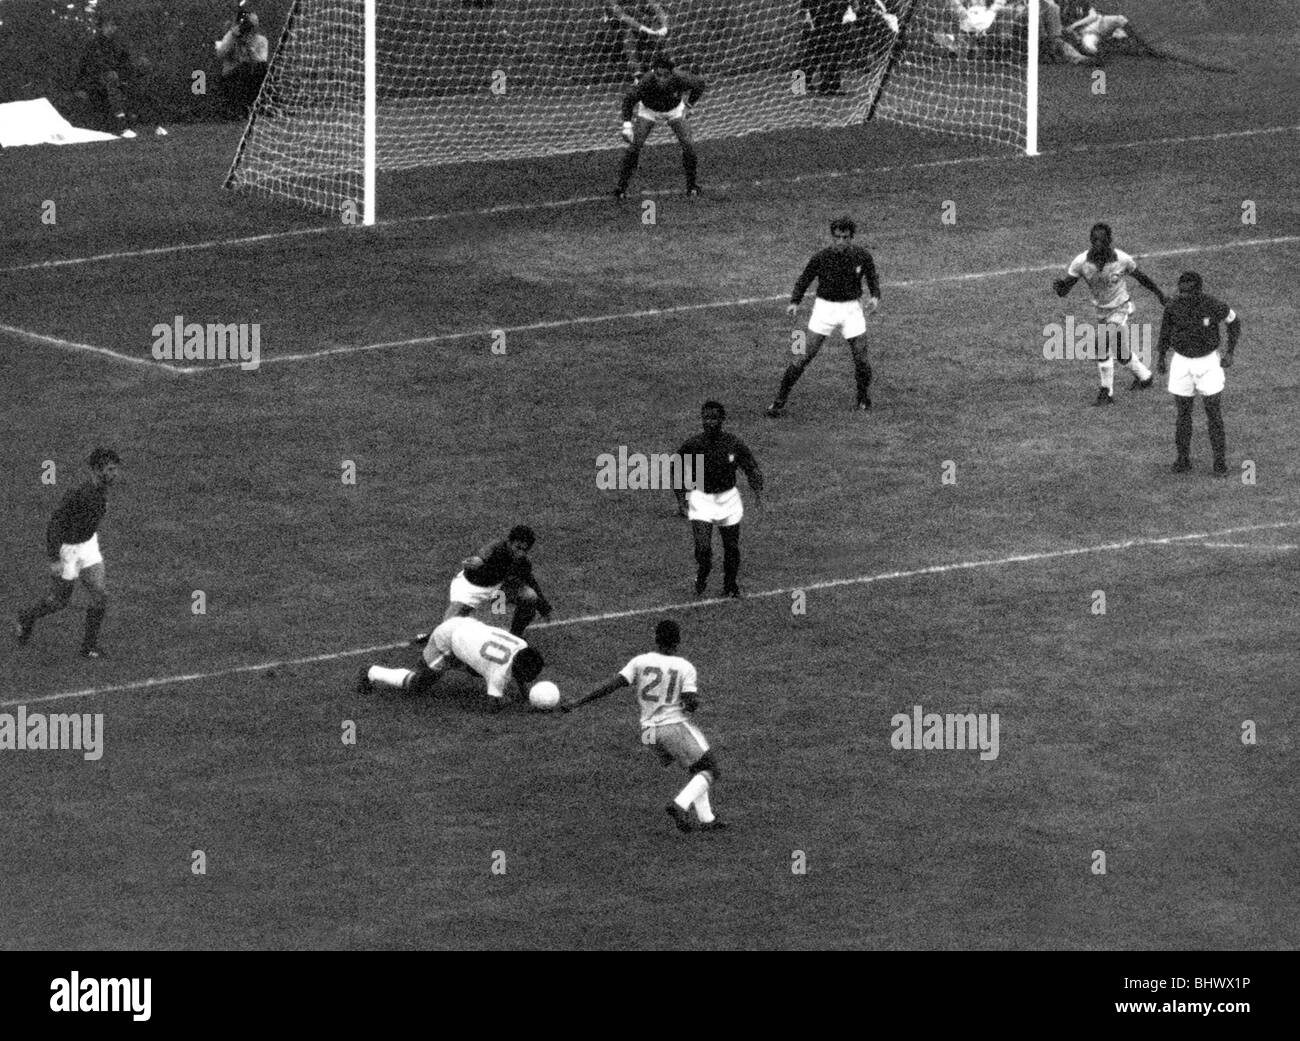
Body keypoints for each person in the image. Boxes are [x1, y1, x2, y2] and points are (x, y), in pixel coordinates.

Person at [561, 619, 726, 833]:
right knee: (710, 769)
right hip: (671, 727)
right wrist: (693, 704)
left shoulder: (640, 661)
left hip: (648, 732)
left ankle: (707, 819)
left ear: (656, 639)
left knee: (696, 769)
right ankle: (679, 805)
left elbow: (612, 685)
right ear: (678, 642)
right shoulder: (685, 667)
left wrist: (578, 701)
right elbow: (690, 700)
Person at [14, 448, 122, 659]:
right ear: (97, 471)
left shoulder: (101, 492)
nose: (115, 474)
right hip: (68, 550)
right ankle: (26, 617)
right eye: (110, 469)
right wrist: (55, 558)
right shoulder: (78, 495)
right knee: (59, 602)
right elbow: (55, 525)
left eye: (116, 469)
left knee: (100, 594)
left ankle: (89, 647)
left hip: (88, 545)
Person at [768, 215, 881, 416]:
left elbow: (872, 278)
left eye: (845, 237)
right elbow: (804, 279)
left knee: (862, 359)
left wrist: (875, 297)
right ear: (832, 237)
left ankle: (863, 398)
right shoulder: (821, 257)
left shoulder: (862, 256)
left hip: (852, 310)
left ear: (851, 238)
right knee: (802, 356)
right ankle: (779, 400)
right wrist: (794, 302)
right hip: (824, 310)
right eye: (837, 237)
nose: (841, 242)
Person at [1053, 222, 1165, 405]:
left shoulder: (1122, 259)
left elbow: (1142, 278)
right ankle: (1145, 377)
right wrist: (1060, 288)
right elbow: (1065, 289)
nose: (1098, 244)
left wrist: (1160, 295)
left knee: (1100, 342)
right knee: (1121, 353)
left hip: (1121, 307)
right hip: (1102, 311)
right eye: (1095, 240)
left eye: (1102, 240)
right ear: (1090, 241)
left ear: (1109, 241)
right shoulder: (1081, 262)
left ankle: (1107, 392)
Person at [674, 402, 763, 598]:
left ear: (722, 420)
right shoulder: (693, 445)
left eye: (714, 418)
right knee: (703, 548)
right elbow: (677, 470)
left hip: (728, 500)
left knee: (731, 547)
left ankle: (730, 585)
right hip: (702, 500)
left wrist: (756, 486)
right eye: (706, 417)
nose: (709, 422)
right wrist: (681, 500)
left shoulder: (733, 443)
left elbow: (750, 466)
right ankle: (703, 571)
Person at [1155, 272, 1241, 476]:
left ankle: (1219, 464)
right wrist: (1161, 357)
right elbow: (1165, 330)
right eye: (1181, 291)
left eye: (1188, 292)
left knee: (1214, 414)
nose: (1183, 295)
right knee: (1183, 414)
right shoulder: (1173, 306)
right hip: (1181, 363)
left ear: (1198, 291)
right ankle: (1183, 460)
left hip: (1208, 363)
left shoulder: (1213, 304)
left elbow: (1234, 321)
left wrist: (1230, 352)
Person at [358, 614, 546, 705]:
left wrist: (526, 696)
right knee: (418, 684)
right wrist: (507, 701)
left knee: (476, 670)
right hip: (446, 641)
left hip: (466, 625)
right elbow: (492, 705)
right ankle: (370, 671)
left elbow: (519, 670)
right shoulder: (499, 672)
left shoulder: (522, 645)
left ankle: (431, 637)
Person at [615, 54, 705, 199]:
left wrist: (689, 105)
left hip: (674, 109)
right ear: (653, 72)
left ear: (672, 73)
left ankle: (692, 185)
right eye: (658, 75)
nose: (661, 78)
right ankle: (621, 187)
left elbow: (700, 84)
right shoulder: (646, 82)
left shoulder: (680, 78)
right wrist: (627, 125)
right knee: (635, 145)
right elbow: (629, 100)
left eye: (665, 75)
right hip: (649, 110)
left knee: (688, 144)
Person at [440, 525, 552, 637]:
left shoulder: (522, 562)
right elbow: (483, 556)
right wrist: (479, 561)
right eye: (518, 548)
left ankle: (515, 636)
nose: (521, 553)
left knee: (529, 596)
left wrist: (544, 609)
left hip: (496, 588)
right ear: (509, 542)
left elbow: (531, 582)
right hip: (470, 588)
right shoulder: (496, 548)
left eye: (525, 550)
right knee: (447, 628)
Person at [73, 10, 158, 137]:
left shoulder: (116, 44)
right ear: (102, 27)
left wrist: (134, 69)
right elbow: (91, 66)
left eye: (114, 26)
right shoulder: (93, 44)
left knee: (138, 81)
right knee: (112, 79)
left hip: (113, 78)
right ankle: (121, 126)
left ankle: (153, 123)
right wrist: (80, 87)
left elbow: (125, 62)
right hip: (95, 80)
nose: (112, 28)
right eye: (109, 25)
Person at [215, 9, 270, 116]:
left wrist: (248, 46)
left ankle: (261, 106)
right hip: (233, 76)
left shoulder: (261, 40)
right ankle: (238, 108)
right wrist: (233, 38)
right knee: (243, 68)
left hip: (252, 76)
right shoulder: (230, 36)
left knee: (261, 68)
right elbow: (220, 54)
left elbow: (261, 61)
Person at [606, 2, 670, 81]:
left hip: (639, 19)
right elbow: (622, 16)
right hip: (619, 24)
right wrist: (646, 30)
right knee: (627, 33)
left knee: (658, 33)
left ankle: (665, 68)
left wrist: (664, 26)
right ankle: (638, 74)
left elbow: (656, 7)